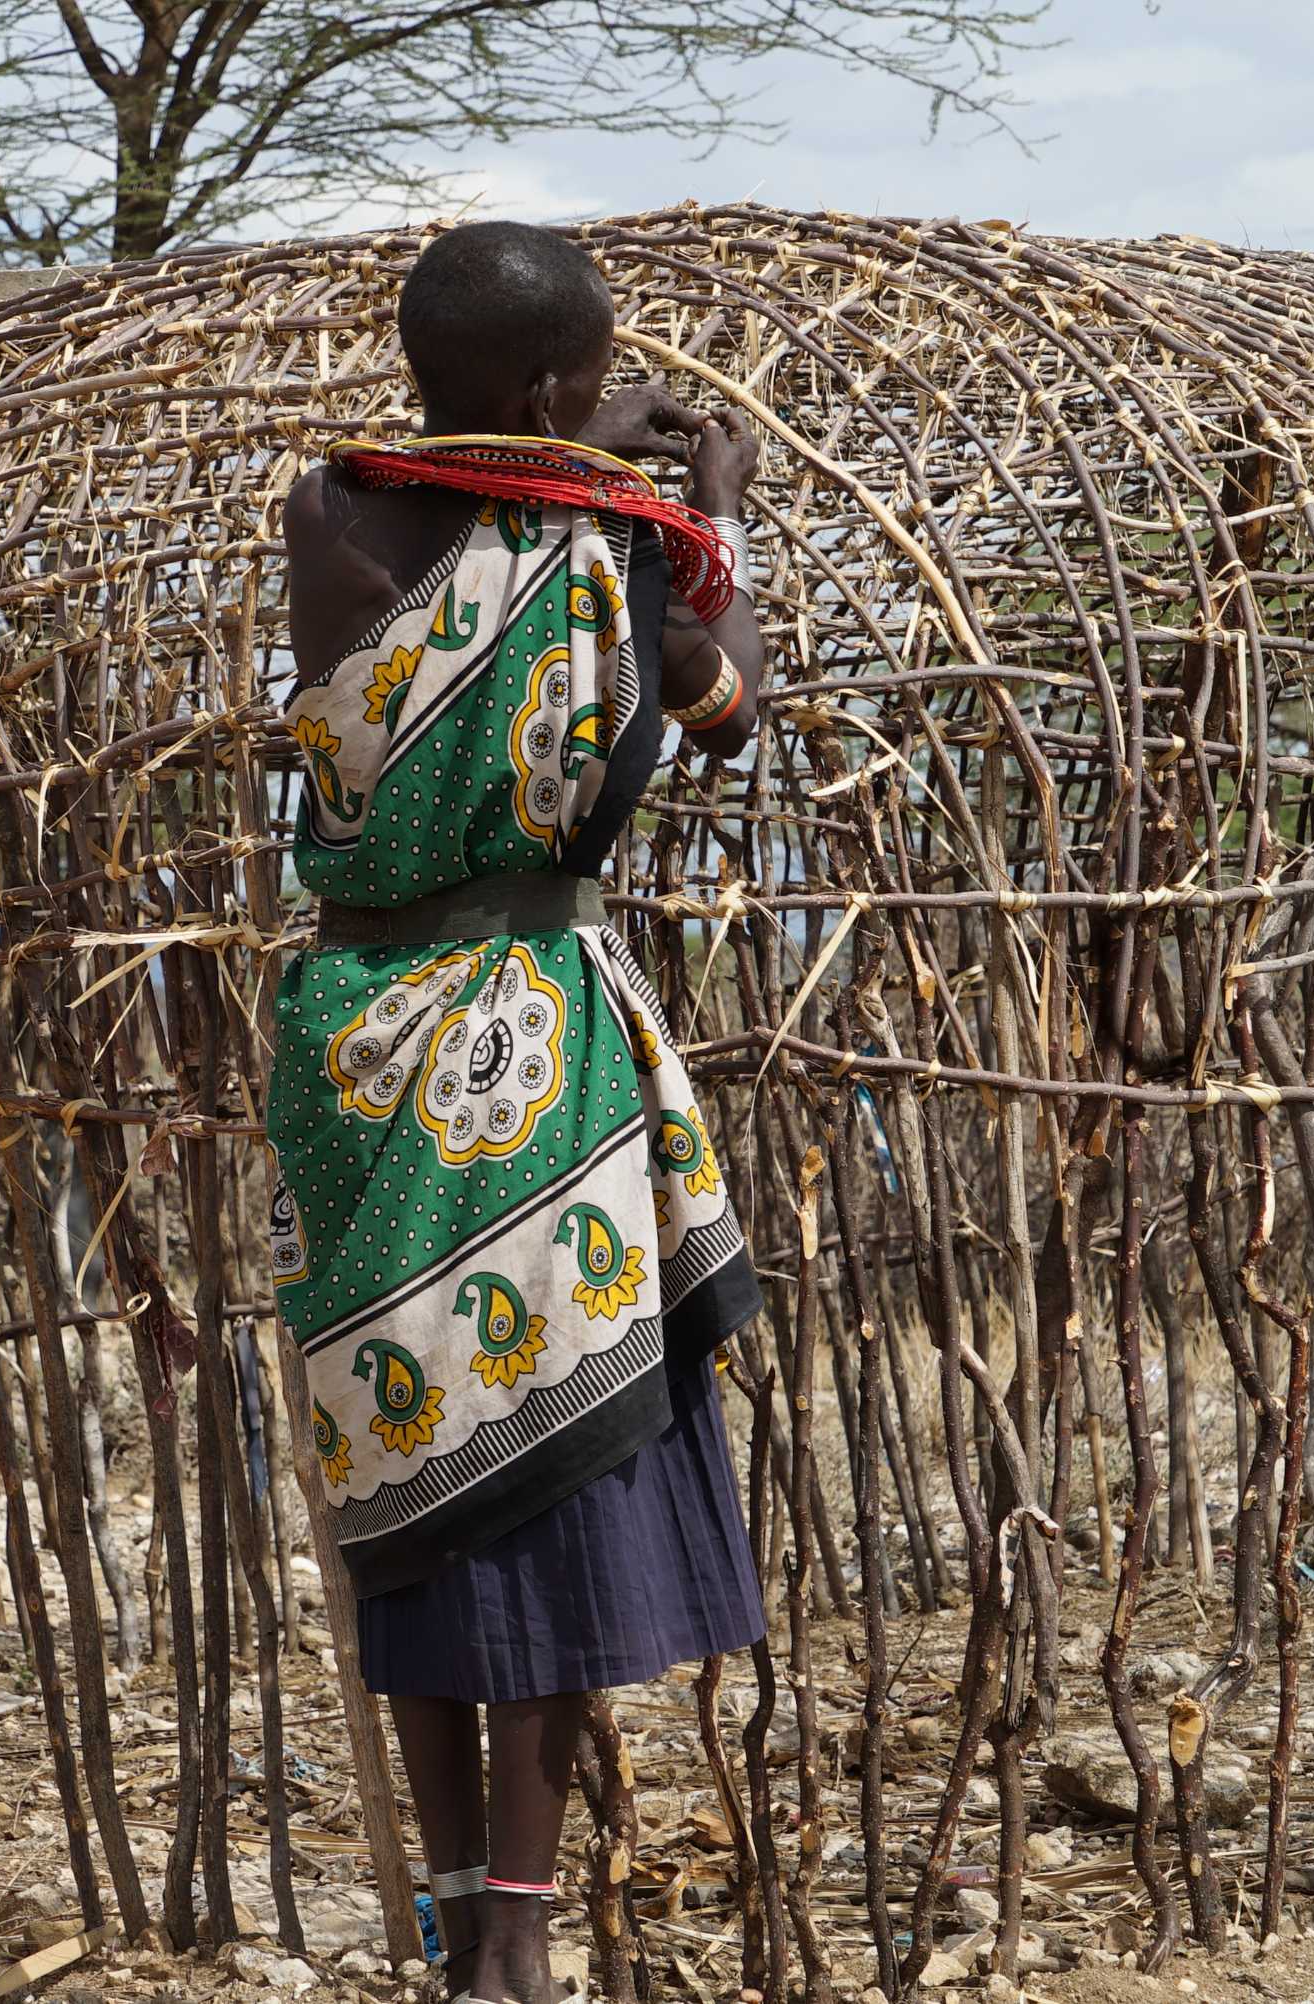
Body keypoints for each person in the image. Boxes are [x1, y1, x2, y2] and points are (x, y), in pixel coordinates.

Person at [270, 222, 770, 2004]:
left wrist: (561, 444)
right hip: (525, 1048)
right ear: (564, 389)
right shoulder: (610, 545)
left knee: (403, 1452)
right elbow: (722, 715)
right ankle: (516, 1949)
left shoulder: (326, 516)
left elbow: (454, 486)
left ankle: (453, 1914)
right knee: (558, 1457)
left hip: (352, 1042)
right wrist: (708, 513)